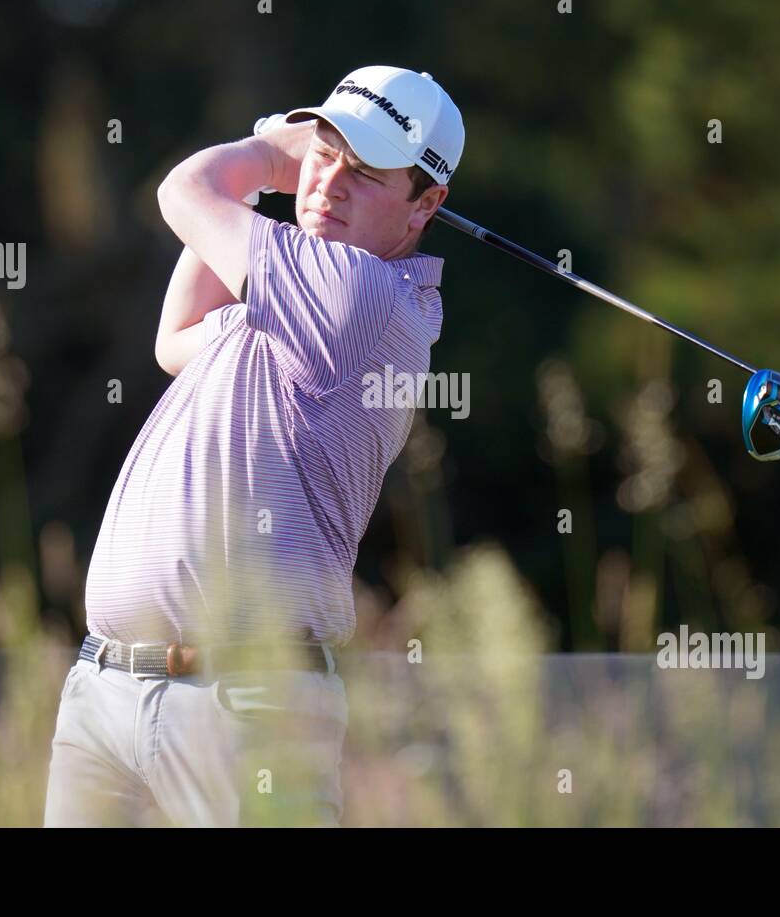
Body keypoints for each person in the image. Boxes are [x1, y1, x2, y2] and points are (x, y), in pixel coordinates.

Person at [43, 65, 465, 826]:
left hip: (244, 705)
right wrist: (269, 175)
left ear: (423, 206)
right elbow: (176, 339)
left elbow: (182, 192)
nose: (329, 183)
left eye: (364, 173)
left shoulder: (357, 297)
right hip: (108, 685)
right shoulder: (291, 306)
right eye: (325, 153)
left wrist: (269, 155)